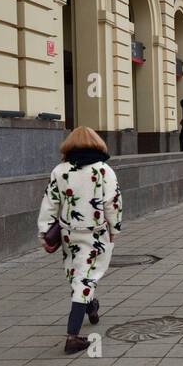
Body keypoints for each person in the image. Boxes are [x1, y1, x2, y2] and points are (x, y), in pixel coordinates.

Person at [38, 126, 123, 353]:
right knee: (85, 277)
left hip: (69, 234)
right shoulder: (104, 170)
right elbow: (112, 203)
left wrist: (45, 231)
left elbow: (50, 202)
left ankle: (91, 305)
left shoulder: (60, 171)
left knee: (78, 274)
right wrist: (115, 228)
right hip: (95, 233)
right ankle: (73, 336)